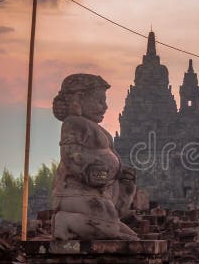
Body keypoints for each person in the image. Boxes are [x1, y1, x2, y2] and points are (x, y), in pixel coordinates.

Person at [51, 73, 138, 240]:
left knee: (131, 236)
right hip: (74, 193)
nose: (105, 106)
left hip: (98, 193)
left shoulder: (99, 130)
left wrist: (123, 176)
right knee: (110, 229)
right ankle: (64, 221)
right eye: (99, 101)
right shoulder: (73, 123)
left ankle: (102, 224)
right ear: (79, 99)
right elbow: (70, 156)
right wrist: (92, 170)